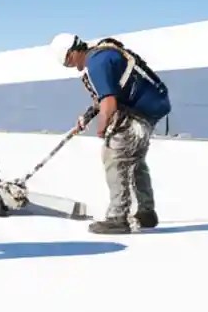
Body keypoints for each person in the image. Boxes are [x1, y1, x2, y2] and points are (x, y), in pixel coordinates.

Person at [49, 32, 171, 234]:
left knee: (114, 156)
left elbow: (109, 102)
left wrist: (102, 128)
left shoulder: (96, 63)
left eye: (67, 62)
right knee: (134, 160)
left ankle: (118, 217)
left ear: (71, 53)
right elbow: (105, 97)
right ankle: (146, 212)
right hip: (151, 109)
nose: (71, 67)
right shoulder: (102, 56)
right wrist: (87, 117)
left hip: (138, 114)